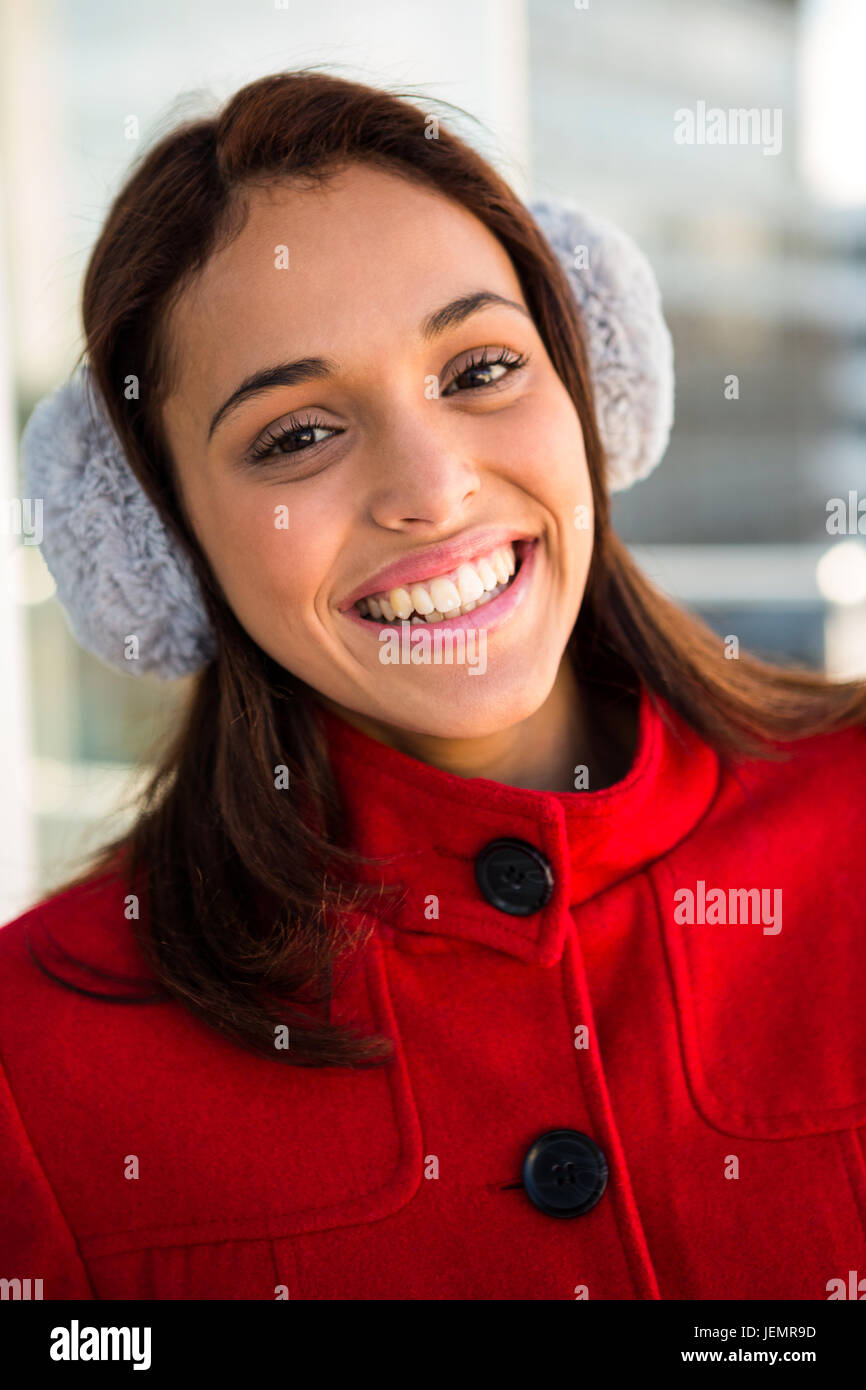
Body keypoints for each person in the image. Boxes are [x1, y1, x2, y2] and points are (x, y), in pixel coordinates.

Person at [2, 69, 865, 1302]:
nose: (430, 488)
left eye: (478, 369)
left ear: (588, 385)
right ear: (159, 543)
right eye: (296, 435)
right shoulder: (33, 1060)